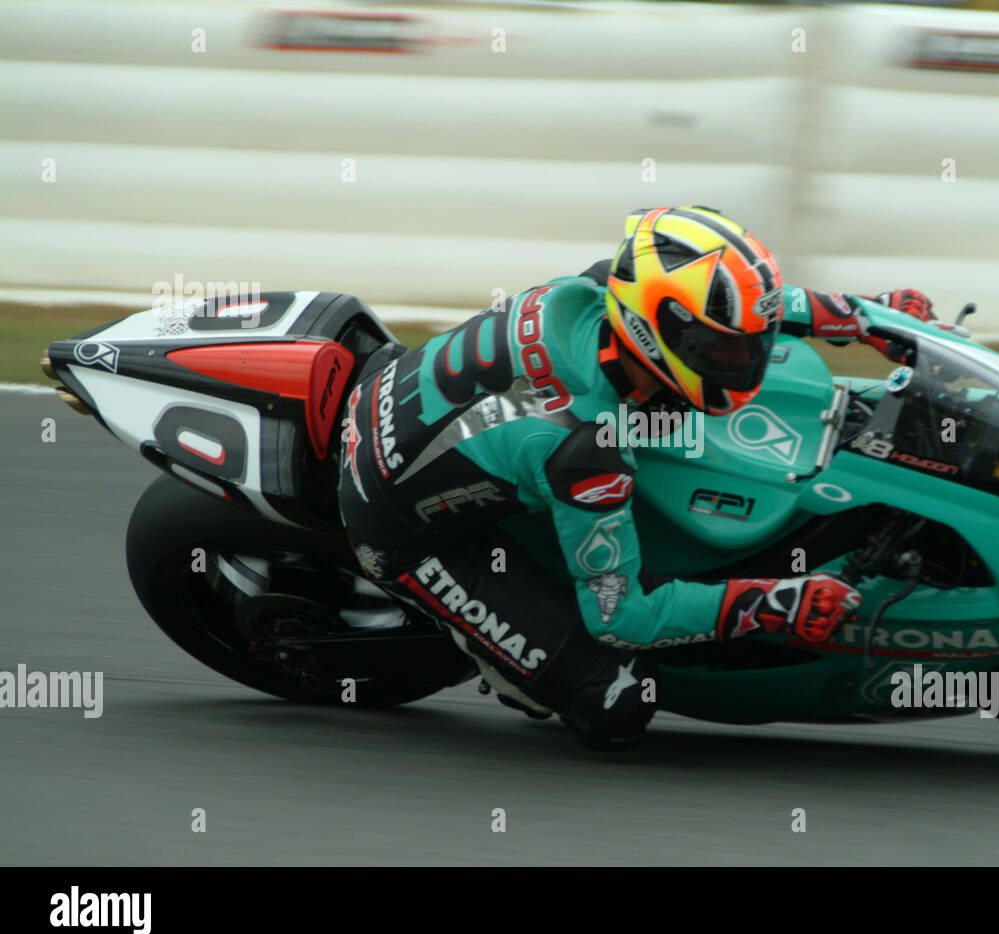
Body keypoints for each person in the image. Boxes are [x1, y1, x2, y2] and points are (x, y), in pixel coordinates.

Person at [337, 205, 943, 749]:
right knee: (619, 700)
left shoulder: (604, 288)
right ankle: (499, 659)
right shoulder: (589, 447)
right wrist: (775, 602)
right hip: (400, 527)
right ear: (657, 333)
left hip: (408, 404)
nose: (745, 363)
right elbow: (622, 617)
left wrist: (869, 317)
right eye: (721, 351)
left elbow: (753, 307)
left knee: (670, 425)